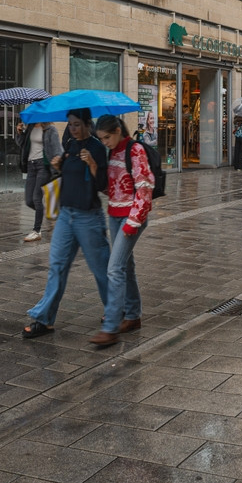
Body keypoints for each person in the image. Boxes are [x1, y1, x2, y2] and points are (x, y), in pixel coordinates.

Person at [23, 108, 110, 339]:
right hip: (66, 216)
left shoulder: (97, 148)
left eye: (77, 124)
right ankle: (45, 319)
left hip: (89, 217)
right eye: (70, 124)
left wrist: (92, 164)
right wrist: (59, 166)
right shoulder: (70, 145)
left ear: (87, 125)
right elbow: (67, 175)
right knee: (57, 267)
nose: (73, 128)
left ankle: (115, 311)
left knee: (101, 269)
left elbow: (102, 184)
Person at [89, 115, 154, 346]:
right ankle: (133, 316)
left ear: (117, 130)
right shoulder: (113, 151)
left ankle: (111, 326)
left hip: (130, 218)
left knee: (114, 269)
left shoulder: (135, 150)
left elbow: (145, 187)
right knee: (125, 266)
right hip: (115, 216)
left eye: (107, 137)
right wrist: (94, 167)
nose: (104, 142)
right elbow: (112, 190)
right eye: (101, 138)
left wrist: (133, 221)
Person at [15, 120, 63, 242]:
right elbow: (22, 145)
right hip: (31, 165)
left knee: (37, 198)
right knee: (29, 200)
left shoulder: (50, 129)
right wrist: (19, 133)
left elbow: (57, 149)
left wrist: (58, 164)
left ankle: (36, 231)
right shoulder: (30, 127)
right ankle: (45, 213)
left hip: (43, 165)